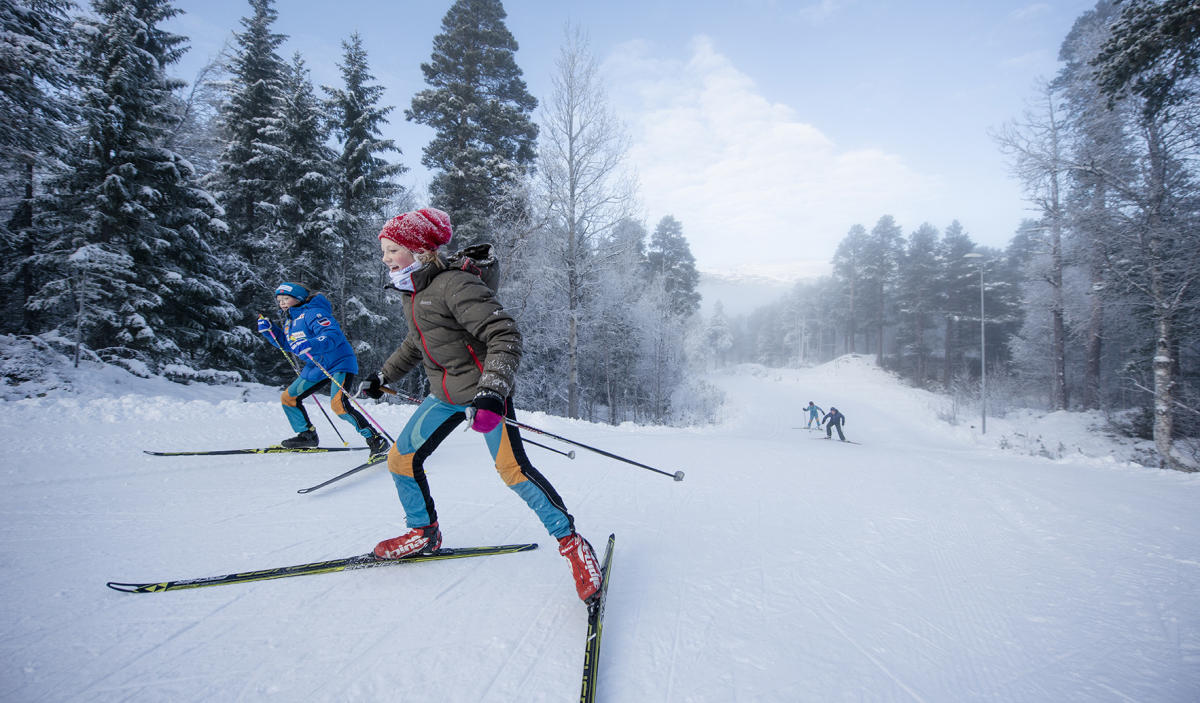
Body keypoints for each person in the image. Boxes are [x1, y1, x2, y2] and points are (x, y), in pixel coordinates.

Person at [359, 207, 603, 602]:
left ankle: (573, 544)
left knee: (513, 472)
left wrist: (492, 392)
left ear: (418, 250)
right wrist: (383, 376)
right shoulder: (414, 291)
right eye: (384, 250)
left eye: (390, 249)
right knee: (400, 460)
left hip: (484, 396)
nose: (384, 257)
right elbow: (417, 343)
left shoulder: (453, 284)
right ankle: (423, 534)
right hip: (445, 396)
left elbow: (505, 336)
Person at [256, 282, 388, 457]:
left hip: (339, 362)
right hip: (316, 366)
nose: (282, 303)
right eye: (279, 300)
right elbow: (290, 345)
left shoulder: (314, 313)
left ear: (299, 298)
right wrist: (270, 331)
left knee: (338, 405)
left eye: (286, 299)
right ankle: (306, 435)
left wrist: (310, 344)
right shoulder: (290, 321)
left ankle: (376, 439)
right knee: (289, 398)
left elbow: (332, 335)